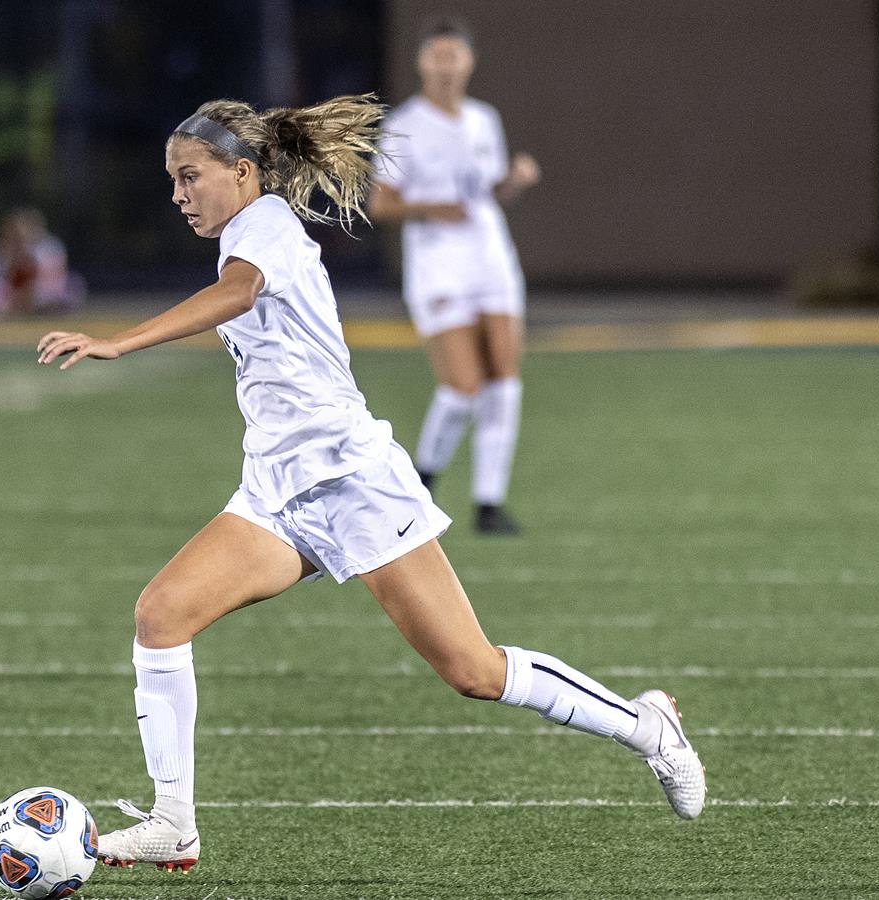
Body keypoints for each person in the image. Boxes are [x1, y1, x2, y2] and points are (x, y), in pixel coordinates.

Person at [35, 94, 705, 873]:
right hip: (277, 489)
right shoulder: (244, 236)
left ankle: (648, 727)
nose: (178, 195)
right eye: (173, 180)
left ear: (243, 172)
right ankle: (173, 823)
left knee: (474, 672)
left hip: (352, 482)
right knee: (160, 617)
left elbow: (240, 294)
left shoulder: (267, 229)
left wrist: (121, 341)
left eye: (189, 178)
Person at [370, 16, 539, 535]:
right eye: (435, 57)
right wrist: (431, 208)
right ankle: (418, 482)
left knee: (503, 382)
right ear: (422, 63)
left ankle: (489, 503)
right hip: (439, 267)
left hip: (491, 258)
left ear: (469, 62)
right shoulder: (403, 125)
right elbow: (381, 202)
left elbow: (484, 193)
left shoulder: (483, 119)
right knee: (463, 386)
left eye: (454, 57)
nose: (445, 67)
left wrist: (514, 180)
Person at [0, 207, 85, 317]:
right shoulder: (1, 247)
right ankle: (20, 308)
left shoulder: (50, 245)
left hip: (41, 290)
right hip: (9, 292)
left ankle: (35, 307)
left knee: (72, 286)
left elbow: (54, 274)